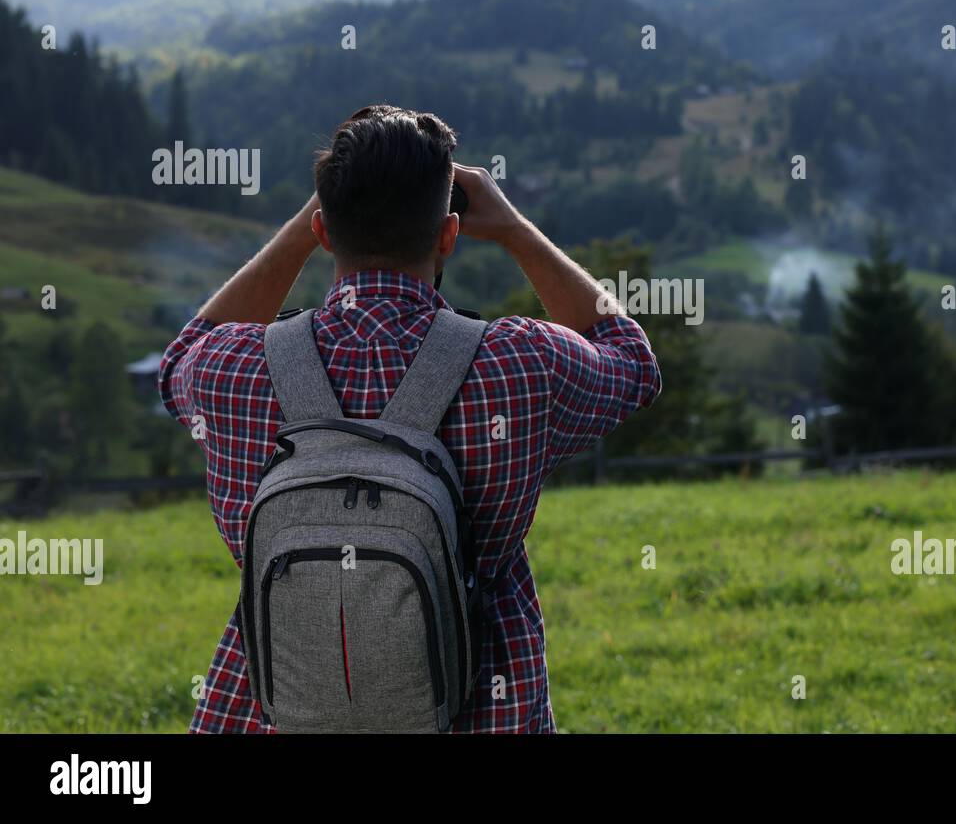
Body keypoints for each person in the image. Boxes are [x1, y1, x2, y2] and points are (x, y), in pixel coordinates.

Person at [158, 104, 662, 732]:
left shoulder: (233, 370)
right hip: (480, 712)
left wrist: (303, 228)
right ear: (448, 235)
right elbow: (633, 361)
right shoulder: (520, 363)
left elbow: (179, 357)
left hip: (281, 711)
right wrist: (514, 230)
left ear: (323, 232)